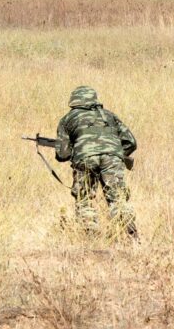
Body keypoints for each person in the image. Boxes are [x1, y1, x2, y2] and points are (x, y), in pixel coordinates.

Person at [54, 85, 138, 238]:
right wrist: (116, 154)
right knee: (117, 197)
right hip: (112, 158)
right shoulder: (109, 116)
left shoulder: (68, 119)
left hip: (85, 159)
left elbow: (62, 154)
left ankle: (91, 236)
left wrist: (77, 149)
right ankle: (129, 234)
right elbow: (131, 142)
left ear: (74, 100)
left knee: (84, 199)